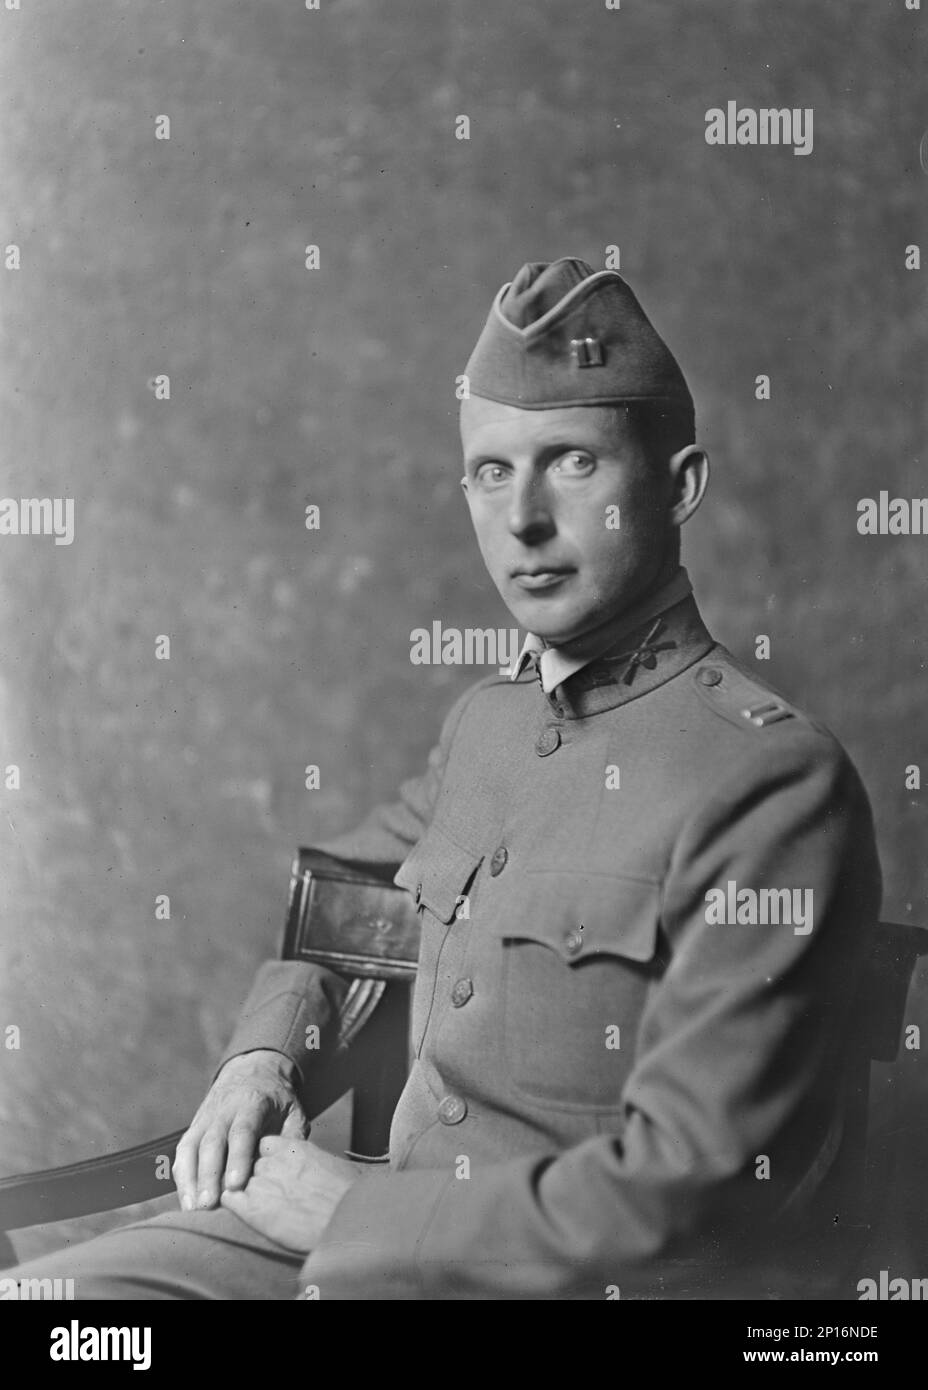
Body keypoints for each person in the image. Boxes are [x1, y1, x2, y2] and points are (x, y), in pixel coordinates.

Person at [6, 258, 881, 1299]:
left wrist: (353, 1212)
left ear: (679, 483)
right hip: (348, 1245)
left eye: (572, 463)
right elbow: (343, 903)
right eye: (492, 471)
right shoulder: (487, 725)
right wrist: (264, 1056)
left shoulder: (770, 778)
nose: (523, 520)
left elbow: (688, 1191)